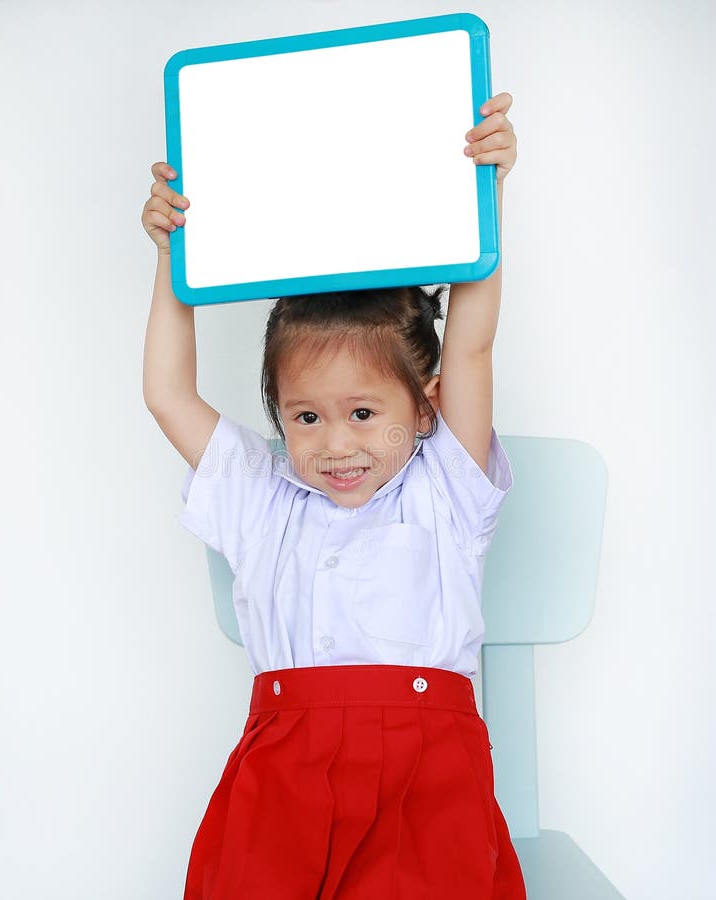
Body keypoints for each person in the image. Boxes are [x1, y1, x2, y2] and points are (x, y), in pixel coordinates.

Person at [142, 92, 524, 900]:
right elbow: (169, 396)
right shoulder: (263, 496)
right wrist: (173, 259)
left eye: (363, 413)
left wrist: (487, 198)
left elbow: (473, 343)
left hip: (427, 784)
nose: (335, 444)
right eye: (305, 416)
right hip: (281, 782)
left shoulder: (445, 486)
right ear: (277, 414)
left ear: (425, 403)